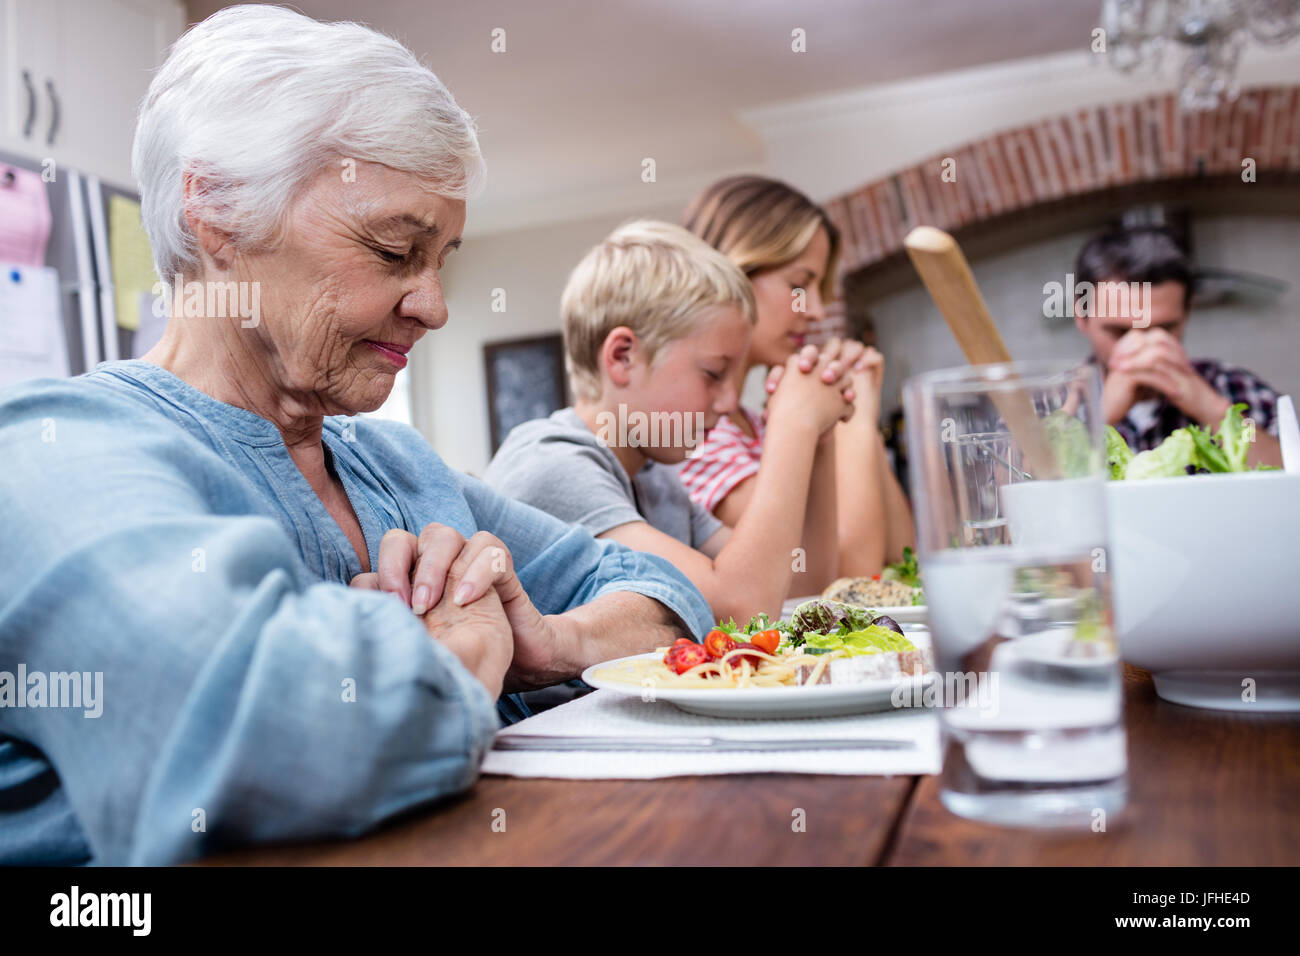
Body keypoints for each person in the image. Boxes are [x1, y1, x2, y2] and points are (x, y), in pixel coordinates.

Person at [0, 5, 711, 866]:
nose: (436, 307)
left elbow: (660, 588)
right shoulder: (53, 452)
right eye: (391, 251)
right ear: (216, 213)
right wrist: (466, 654)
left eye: (441, 260)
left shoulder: (397, 462)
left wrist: (551, 644)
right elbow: (272, 732)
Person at [484, 220, 855, 623]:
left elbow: (802, 589)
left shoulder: (655, 480)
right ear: (623, 357)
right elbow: (741, 609)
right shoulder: (552, 465)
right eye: (714, 373)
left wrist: (820, 438)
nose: (731, 400)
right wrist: (792, 426)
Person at [679, 175, 914, 578]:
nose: (817, 311)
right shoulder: (693, 435)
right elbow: (847, 576)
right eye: (800, 284)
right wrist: (851, 420)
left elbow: (902, 555)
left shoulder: (757, 426)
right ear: (734, 274)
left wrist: (858, 415)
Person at [1073, 226, 1282, 466]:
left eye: (1162, 329)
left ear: (1187, 310)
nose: (1141, 346)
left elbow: (1287, 478)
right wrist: (1098, 419)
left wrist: (1214, 411)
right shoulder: (1055, 404)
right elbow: (1039, 490)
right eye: (1119, 332)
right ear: (1081, 316)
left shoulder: (1235, 387)